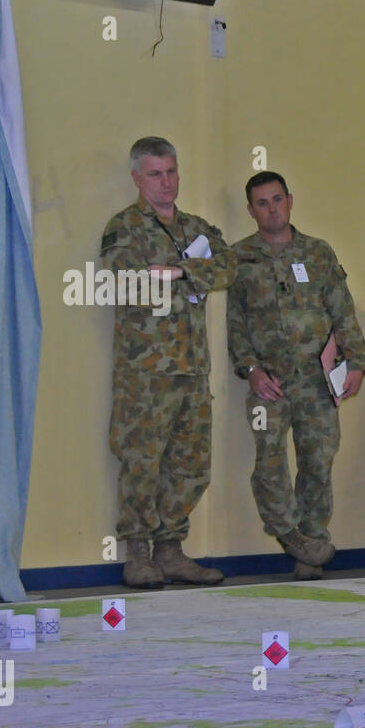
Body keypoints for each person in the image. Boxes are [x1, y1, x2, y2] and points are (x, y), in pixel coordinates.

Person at [100, 136, 235, 589]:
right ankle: (138, 554)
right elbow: (127, 281)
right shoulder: (124, 228)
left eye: (172, 171)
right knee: (142, 463)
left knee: (191, 464)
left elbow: (229, 265)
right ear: (137, 178)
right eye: (156, 174)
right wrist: (185, 274)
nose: (167, 182)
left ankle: (172, 551)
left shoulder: (196, 228)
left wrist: (179, 271)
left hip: (193, 366)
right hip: (146, 373)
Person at [228, 172, 365, 579]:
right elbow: (234, 323)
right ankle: (291, 535)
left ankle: (312, 542)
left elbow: (342, 308)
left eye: (277, 199)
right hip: (269, 381)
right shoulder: (240, 258)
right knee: (270, 461)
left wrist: (356, 361)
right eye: (262, 203)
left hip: (317, 379)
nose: (271, 208)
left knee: (318, 460)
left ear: (290, 200)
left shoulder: (318, 252)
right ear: (251, 209)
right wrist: (251, 370)